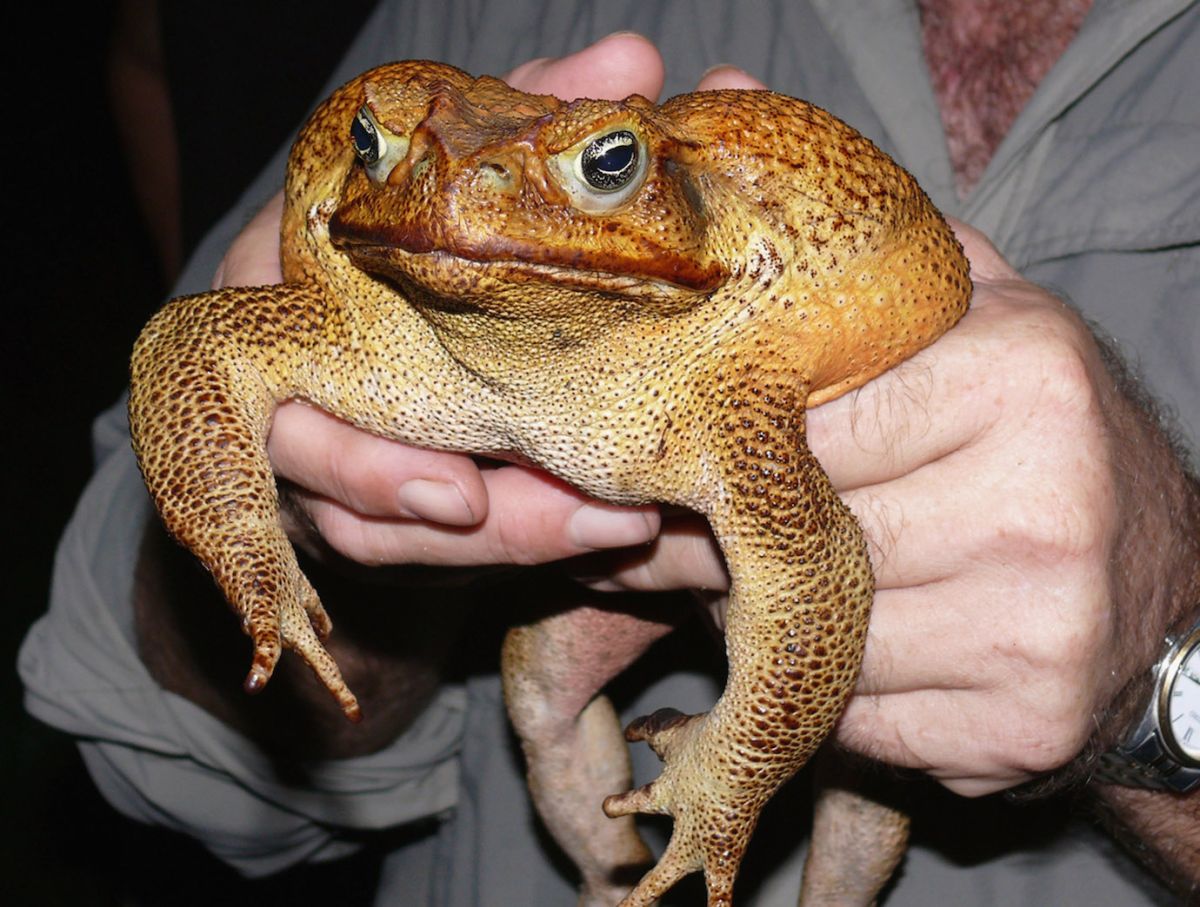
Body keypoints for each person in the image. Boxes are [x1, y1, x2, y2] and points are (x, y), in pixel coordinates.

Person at [20, 1, 1198, 904]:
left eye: (607, 166)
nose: (471, 191)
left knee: (852, 807)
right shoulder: (375, 303)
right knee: (541, 678)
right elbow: (192, 348)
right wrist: (262, 530)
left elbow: (815, 579)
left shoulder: (716, 379)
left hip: (704, 347)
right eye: (388, 148)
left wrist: (1165, 637)